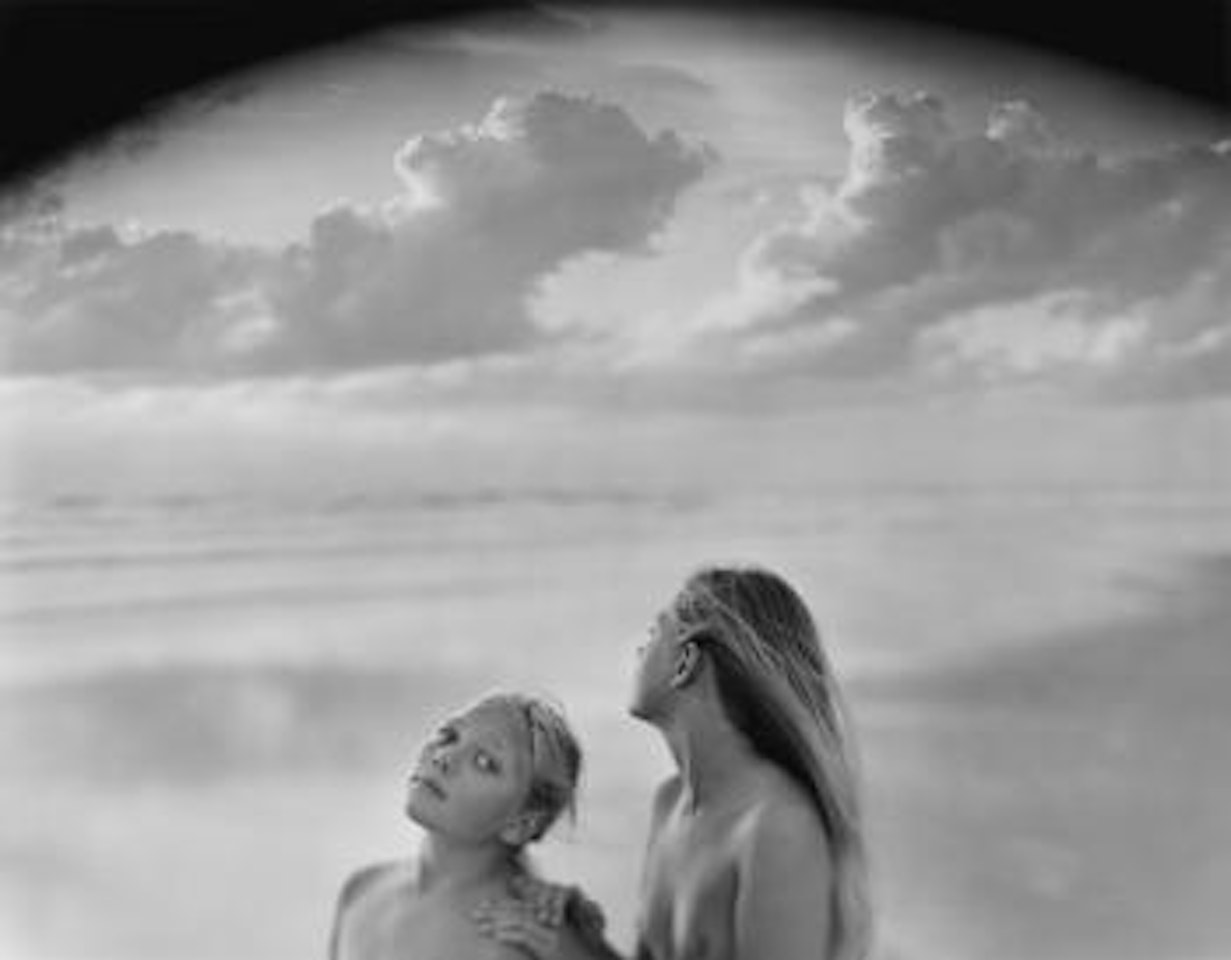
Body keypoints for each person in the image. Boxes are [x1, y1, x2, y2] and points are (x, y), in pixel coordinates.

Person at [475, 565, 872, 960]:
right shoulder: (670, 803)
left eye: (653, 632)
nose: (639, 649)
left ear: (685, 662)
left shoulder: (778, 827)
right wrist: (572, 938)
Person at [328, 691, 615, 960]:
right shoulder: (361, 890)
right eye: (449, 736)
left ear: (521, 823)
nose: (444, 757)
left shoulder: (522, 943)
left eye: (484, 761)